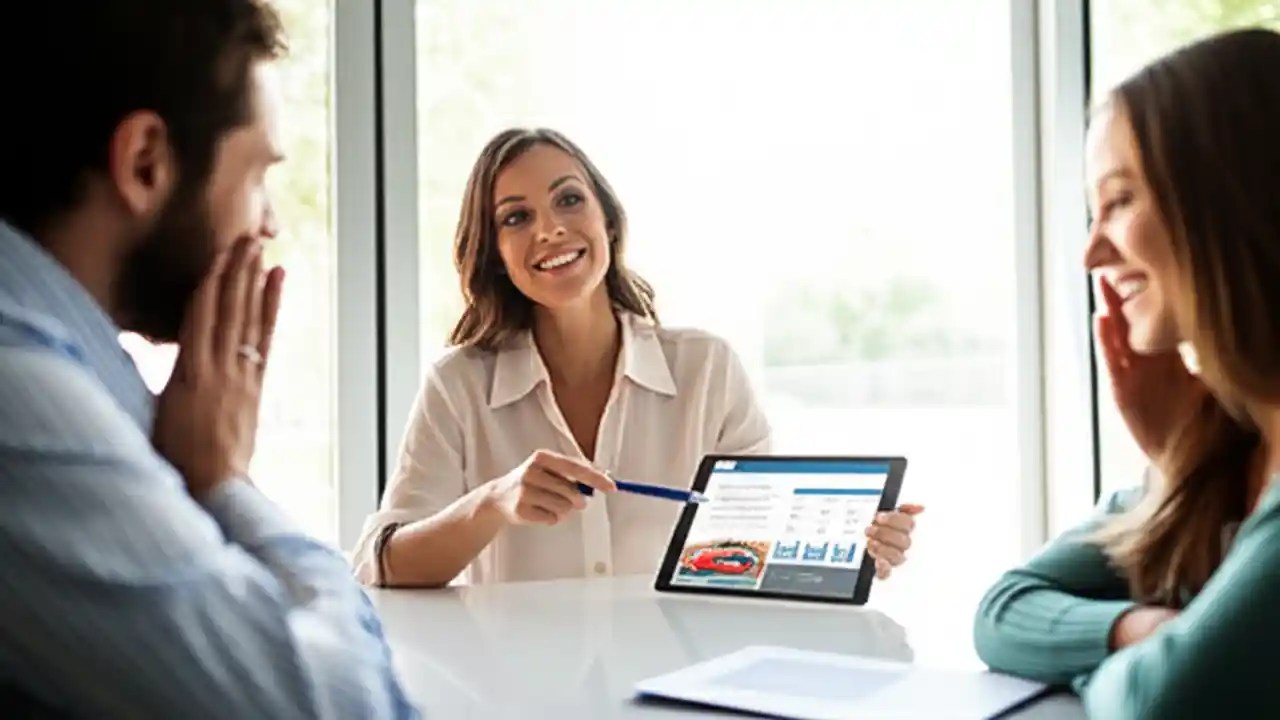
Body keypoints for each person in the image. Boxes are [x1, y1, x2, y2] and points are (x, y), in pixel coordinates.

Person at [0, 2, 416, 717]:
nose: (271, 223)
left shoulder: (76, 369)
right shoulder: (20, 394)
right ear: (145, 163)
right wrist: (225, 479)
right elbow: (336, 707)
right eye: (257, 174)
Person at [353, 127, 923, 588]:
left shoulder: (706, 369)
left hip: (681, 686)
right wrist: (493, 502)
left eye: (568, 199)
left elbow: (753, 553)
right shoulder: (458, 386)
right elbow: (382, 567)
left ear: (608, 220)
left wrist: (853, 547)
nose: (550, 228)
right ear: (496, 254)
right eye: (516, 217)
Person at [972, 27, 1280, 718]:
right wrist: (1141, 629)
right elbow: (1003, 609)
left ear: (1229, 201)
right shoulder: (1225, 450)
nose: (1091, 252)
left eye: (1118, 202)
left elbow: (1162, 699)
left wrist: (1140, 661)